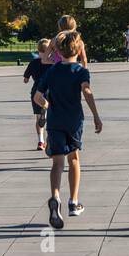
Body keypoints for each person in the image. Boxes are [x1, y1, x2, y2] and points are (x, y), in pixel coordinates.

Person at [34, 31, 102, 229]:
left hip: (55, 122)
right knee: (74, 160)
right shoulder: (81, 71)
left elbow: (38, 97)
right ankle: (73, 201)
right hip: (73, 122)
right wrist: (96, 116)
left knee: (57, 163)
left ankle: (56, 196)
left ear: (60, 51)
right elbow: (86, 91)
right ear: (79, 50)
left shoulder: (52, 70)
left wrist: (47, 106)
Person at [22, 38, 54, 150]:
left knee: (38, 118)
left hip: (36, 91)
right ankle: (51, 139)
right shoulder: (52, 63)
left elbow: (25, 79)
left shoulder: (33, 63)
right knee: (52, 117)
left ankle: (41, 141)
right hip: (50, 90)